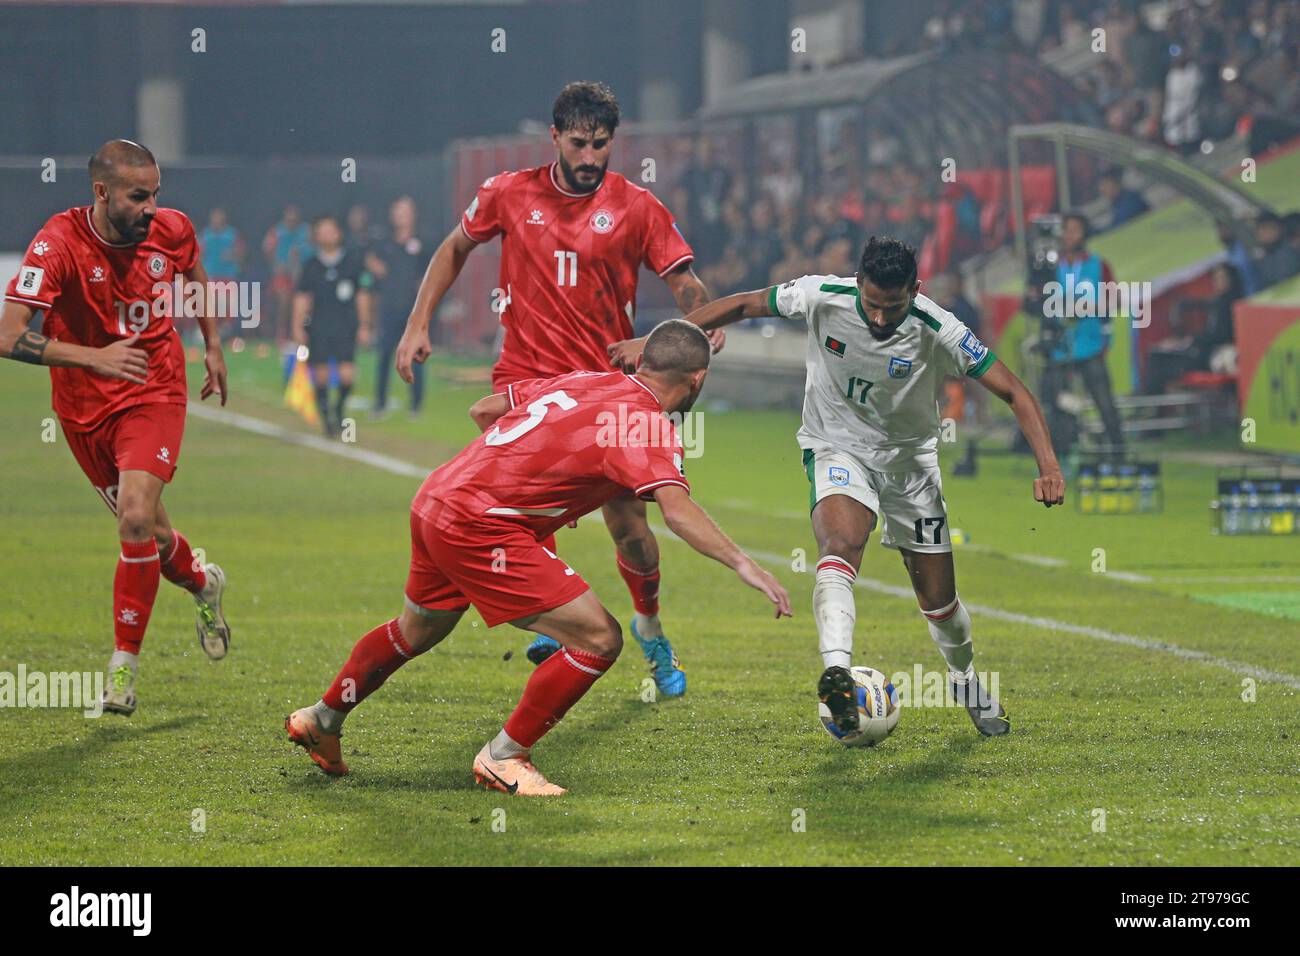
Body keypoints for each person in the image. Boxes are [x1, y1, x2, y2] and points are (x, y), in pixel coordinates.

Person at [286, 320, 791, 795]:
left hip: (437, 498)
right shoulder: (646, 424)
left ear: (644, 363)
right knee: (599, 638)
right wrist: (748, 566)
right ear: (697, 378)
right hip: (482, 525)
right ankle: (505, 756)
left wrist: (539, 475)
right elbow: (677, 513)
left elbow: (484, 411)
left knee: (417, 630)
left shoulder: (588, 379)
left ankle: (322, 719)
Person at [611, 237, 1067, 737]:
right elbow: (742, 304)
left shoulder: (940, 328)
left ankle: (964, 678)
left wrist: (1048, 465)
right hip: (836, 447)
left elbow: (1014, 391)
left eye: (892, 307)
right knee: (839, 545)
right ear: (858, 284)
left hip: (909, 467)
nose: (878, 318)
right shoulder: (821, 293)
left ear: (915, 291)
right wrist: (652, 345)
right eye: (870, 303)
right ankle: (838, 672)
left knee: (941, 605)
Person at [393, 81, 723, 697]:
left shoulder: (637, 206)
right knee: (510, 517)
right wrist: (418, 322)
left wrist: (690, 328)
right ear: (555, 137)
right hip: (524, 383)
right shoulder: (508, 193)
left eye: (601, 144)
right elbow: (454, 247)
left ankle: (648, 625)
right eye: (579, 143)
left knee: (629, 528)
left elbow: (689, 288)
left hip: (608, 393)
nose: (591, 156)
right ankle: (559, 622)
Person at [0, 139, 231, 715]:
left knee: (132, 517)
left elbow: (195, 271)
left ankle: (122, 670)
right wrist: (94, 357)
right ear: (101, 192)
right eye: (138, 196)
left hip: (153, 388)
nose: (152, 207)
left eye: (155, 193)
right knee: (149, 536)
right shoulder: (58, 243)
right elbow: (6, 335)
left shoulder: (170, 228)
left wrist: (214, 345)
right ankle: (203, 583)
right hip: (82, 409)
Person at [1038, 213, 1126, 455]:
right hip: (1060, 344)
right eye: (1066, 229)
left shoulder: (1098, 264)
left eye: (1075, 229)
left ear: (1085, 233)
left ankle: (1119, 453)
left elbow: (1116, 300)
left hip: (1090, 343)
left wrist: (1090, 307)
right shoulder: (1052, 267)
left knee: (1104, 402)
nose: (1070, 235)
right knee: (1056, 404)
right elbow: (1038, 301)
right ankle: (1060, 455)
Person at [292, 214, 374, 436]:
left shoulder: (352, 263)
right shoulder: (311, 265)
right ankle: (327, 419)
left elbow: (362, 295)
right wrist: (298, 326)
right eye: (322, 231)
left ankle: (338, 409)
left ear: (338, 233)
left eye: (330, 230)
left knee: (347, 375)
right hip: (318, 326)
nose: (326, 234)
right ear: (316, 236)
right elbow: (302, 297)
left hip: (346, 326)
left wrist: (365, 325)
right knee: (320, 376)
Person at [367, 196, 427, 417]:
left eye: (405, 211)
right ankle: (380, 403)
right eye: (398, 211)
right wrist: (376, 267)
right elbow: (370, 259)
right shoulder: (385, 243)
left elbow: (428, 275)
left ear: (413, 214)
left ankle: (415, 405)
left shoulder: (421, 243)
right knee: (384, 355)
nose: (401, 215)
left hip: (413, 310)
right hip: (389, 306)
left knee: (416, 357)